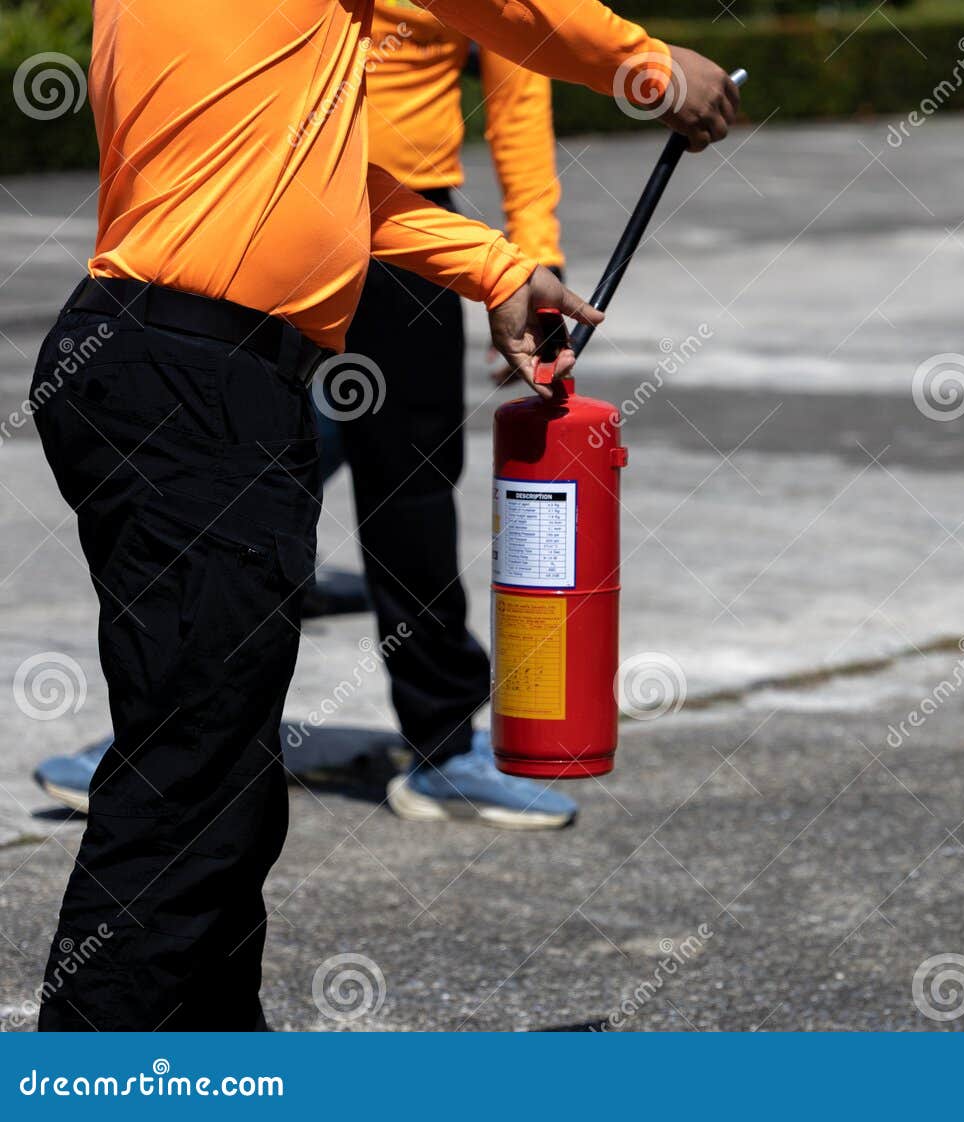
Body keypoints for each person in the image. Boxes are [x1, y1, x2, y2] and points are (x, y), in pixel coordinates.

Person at [30, 0, 738, 1031]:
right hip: (197, 382)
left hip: (163, 369)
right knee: (190, 784)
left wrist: (494, 267)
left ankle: (222, 1062)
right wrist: (648, 68)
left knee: (224, 780)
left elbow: (314, 174)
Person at [34, 0, 583, 831]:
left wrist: (529, 257)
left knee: (411, 487)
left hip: (412, 226)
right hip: (265, 209)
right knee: (212, 490)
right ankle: (158, 745)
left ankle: (444, 748)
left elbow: (519, 91)